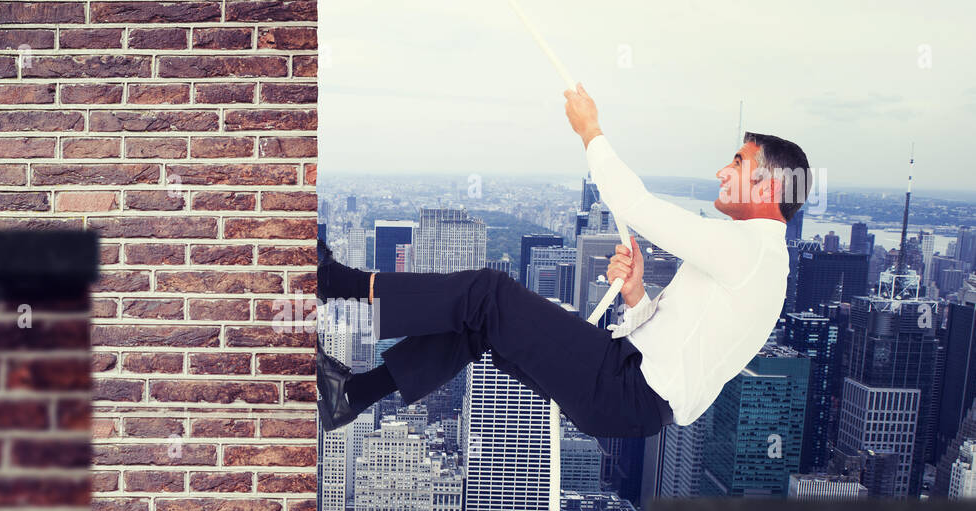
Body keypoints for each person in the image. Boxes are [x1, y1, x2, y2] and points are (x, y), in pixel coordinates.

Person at [317, 84, 810, 439]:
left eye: (739, 163)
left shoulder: (752, 250)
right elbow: (683, 346)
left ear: (769, 186)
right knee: (482, 321)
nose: (724, 170)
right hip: (631, 390)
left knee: (488, 293)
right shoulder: (756, 259)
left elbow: (637, 207)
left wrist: (590, 131)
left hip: (627, 389)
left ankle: (336, 281)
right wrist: (637, 297)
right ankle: (352, 395)